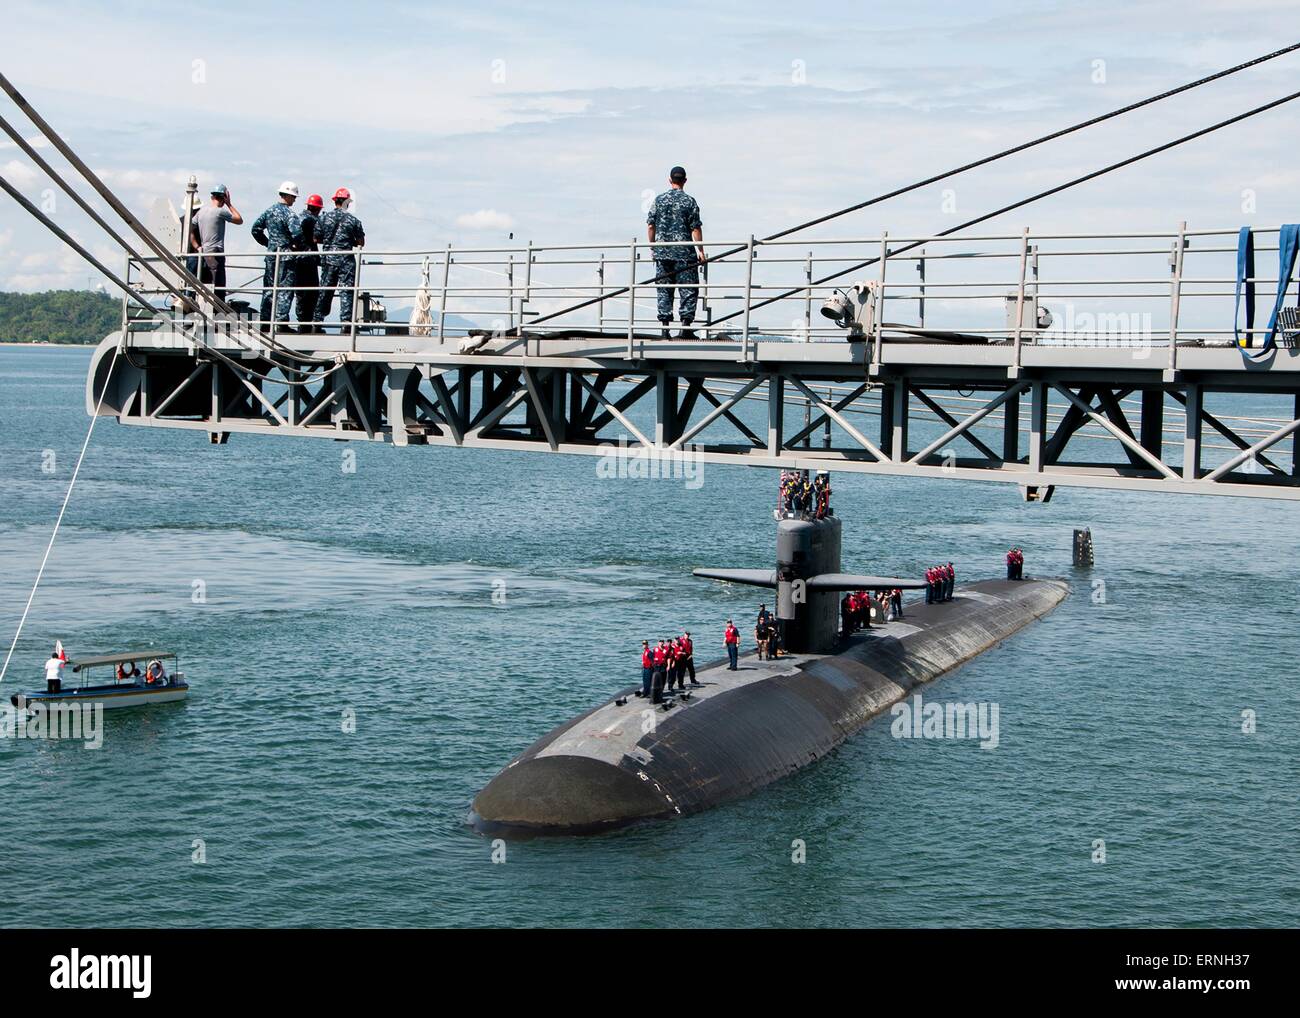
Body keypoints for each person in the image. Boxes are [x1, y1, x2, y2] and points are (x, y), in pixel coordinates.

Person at [646, 166, 705, 338]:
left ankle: (665, 330)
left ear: (670, 180)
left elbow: (650, 226)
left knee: (664, 290)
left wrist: (653, 246)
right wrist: (700, 250)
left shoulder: (659, 200)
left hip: (663, 254)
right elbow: (695, 228)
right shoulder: (689, 202)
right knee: (688, 290)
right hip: (685, 255)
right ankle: (685, 330)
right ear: (685, 181)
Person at [314, 187, 366, 330]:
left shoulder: (324, 218)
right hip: (346, 261)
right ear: (347, 202)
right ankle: (346, 324)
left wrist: (330, 242)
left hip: (328, 259)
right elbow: (361, 242)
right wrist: (350, 242)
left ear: (335, 201)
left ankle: (316, 322)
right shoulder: (353, 220)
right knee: (346, 292)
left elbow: (316, 238)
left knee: (325, 291)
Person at [251, 181, 302, 328]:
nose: (295, 200)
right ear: (288, 196)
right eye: (294, 197)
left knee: (268, 289)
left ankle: (265, 322)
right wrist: (295, 245)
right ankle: (281, 323)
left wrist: (268, 243)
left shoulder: (269, 211)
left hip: (271, 255)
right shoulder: (290, 214)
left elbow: (255, 229)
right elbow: (297, 234)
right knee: (285, 289)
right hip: (286, 255)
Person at [191, 185, 243, 303]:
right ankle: (217, 316)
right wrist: (229, 204)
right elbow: (239, 220)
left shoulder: (201, 212)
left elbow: (190, 229)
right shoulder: (220, 212)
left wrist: (196, 246)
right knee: (218, 289)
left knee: (205, 285)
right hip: (216, 253)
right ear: (224, 197)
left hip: (203, 253)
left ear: (212, 196)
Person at [295, 193, 324, 327]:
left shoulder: (298, 217)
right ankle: (308, 323)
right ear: (318, 209)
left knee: (301, 293)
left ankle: (302, 322)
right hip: (308, 260)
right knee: (312, 293)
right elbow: (319, 236)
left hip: (297, 260)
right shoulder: (312, 220)